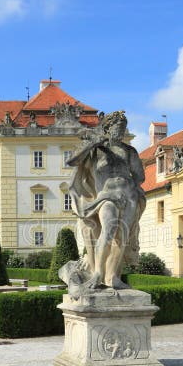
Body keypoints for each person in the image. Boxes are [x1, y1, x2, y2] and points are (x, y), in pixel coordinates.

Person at [66, 111, 145, 290]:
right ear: (108, 128)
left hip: (129, 196)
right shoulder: (96, 151)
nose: (121, 131)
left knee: (122, 236)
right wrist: (92, 144)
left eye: (123, 128)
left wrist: (128, 185)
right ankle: (98, 273)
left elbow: (140, 176)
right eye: (118, 127)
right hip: (106, 196)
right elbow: (72, 161)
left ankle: (112, 278)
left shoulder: (129, 151)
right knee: (108, 230)